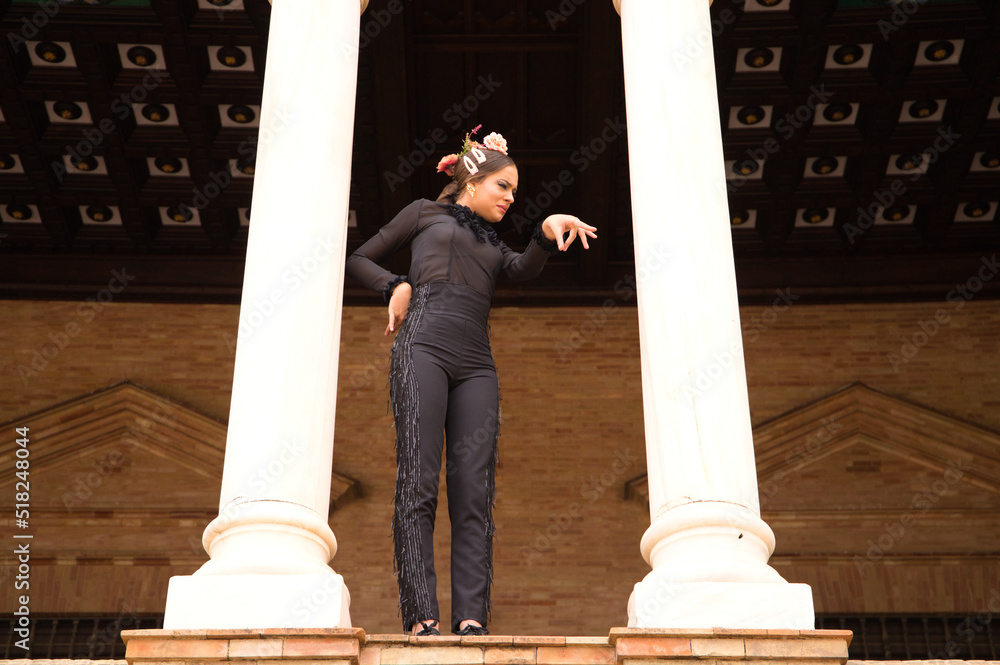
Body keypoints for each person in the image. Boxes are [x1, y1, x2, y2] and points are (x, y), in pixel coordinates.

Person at [345, 126, 597, 637]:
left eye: (515, 193)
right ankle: (420, 615)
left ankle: (472, 618)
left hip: (477, 364)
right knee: (418, 483)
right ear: (472, 181)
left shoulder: (492, 241)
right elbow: (359, 258)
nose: (509, 199)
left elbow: (523, 269)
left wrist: (545, 232)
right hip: (422, 349)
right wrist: (396, 284)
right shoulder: (422, 213)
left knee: (474, 493)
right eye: (504, 187)